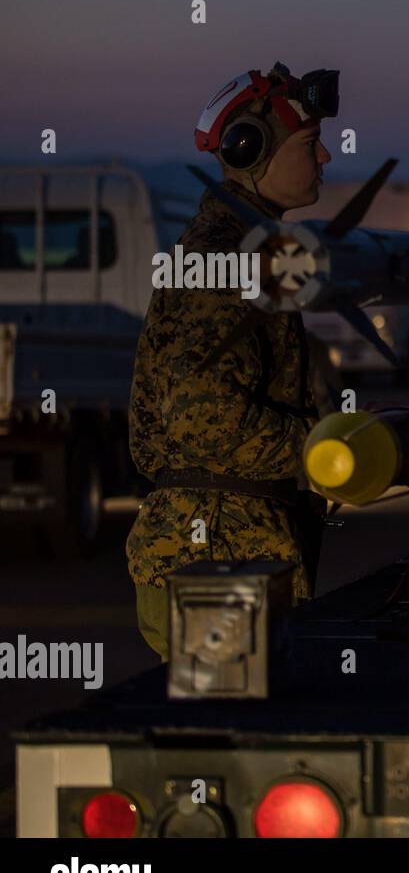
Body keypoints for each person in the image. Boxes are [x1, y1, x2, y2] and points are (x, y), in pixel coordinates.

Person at [126, 62, 337, 658]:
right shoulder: (228, 260)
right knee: (228, 742)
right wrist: (325, 445)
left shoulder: (238, 249)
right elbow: (204, 421)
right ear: (251, 150)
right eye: (310, 143)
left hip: (225, 546)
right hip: (220, 555)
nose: (324, 158)